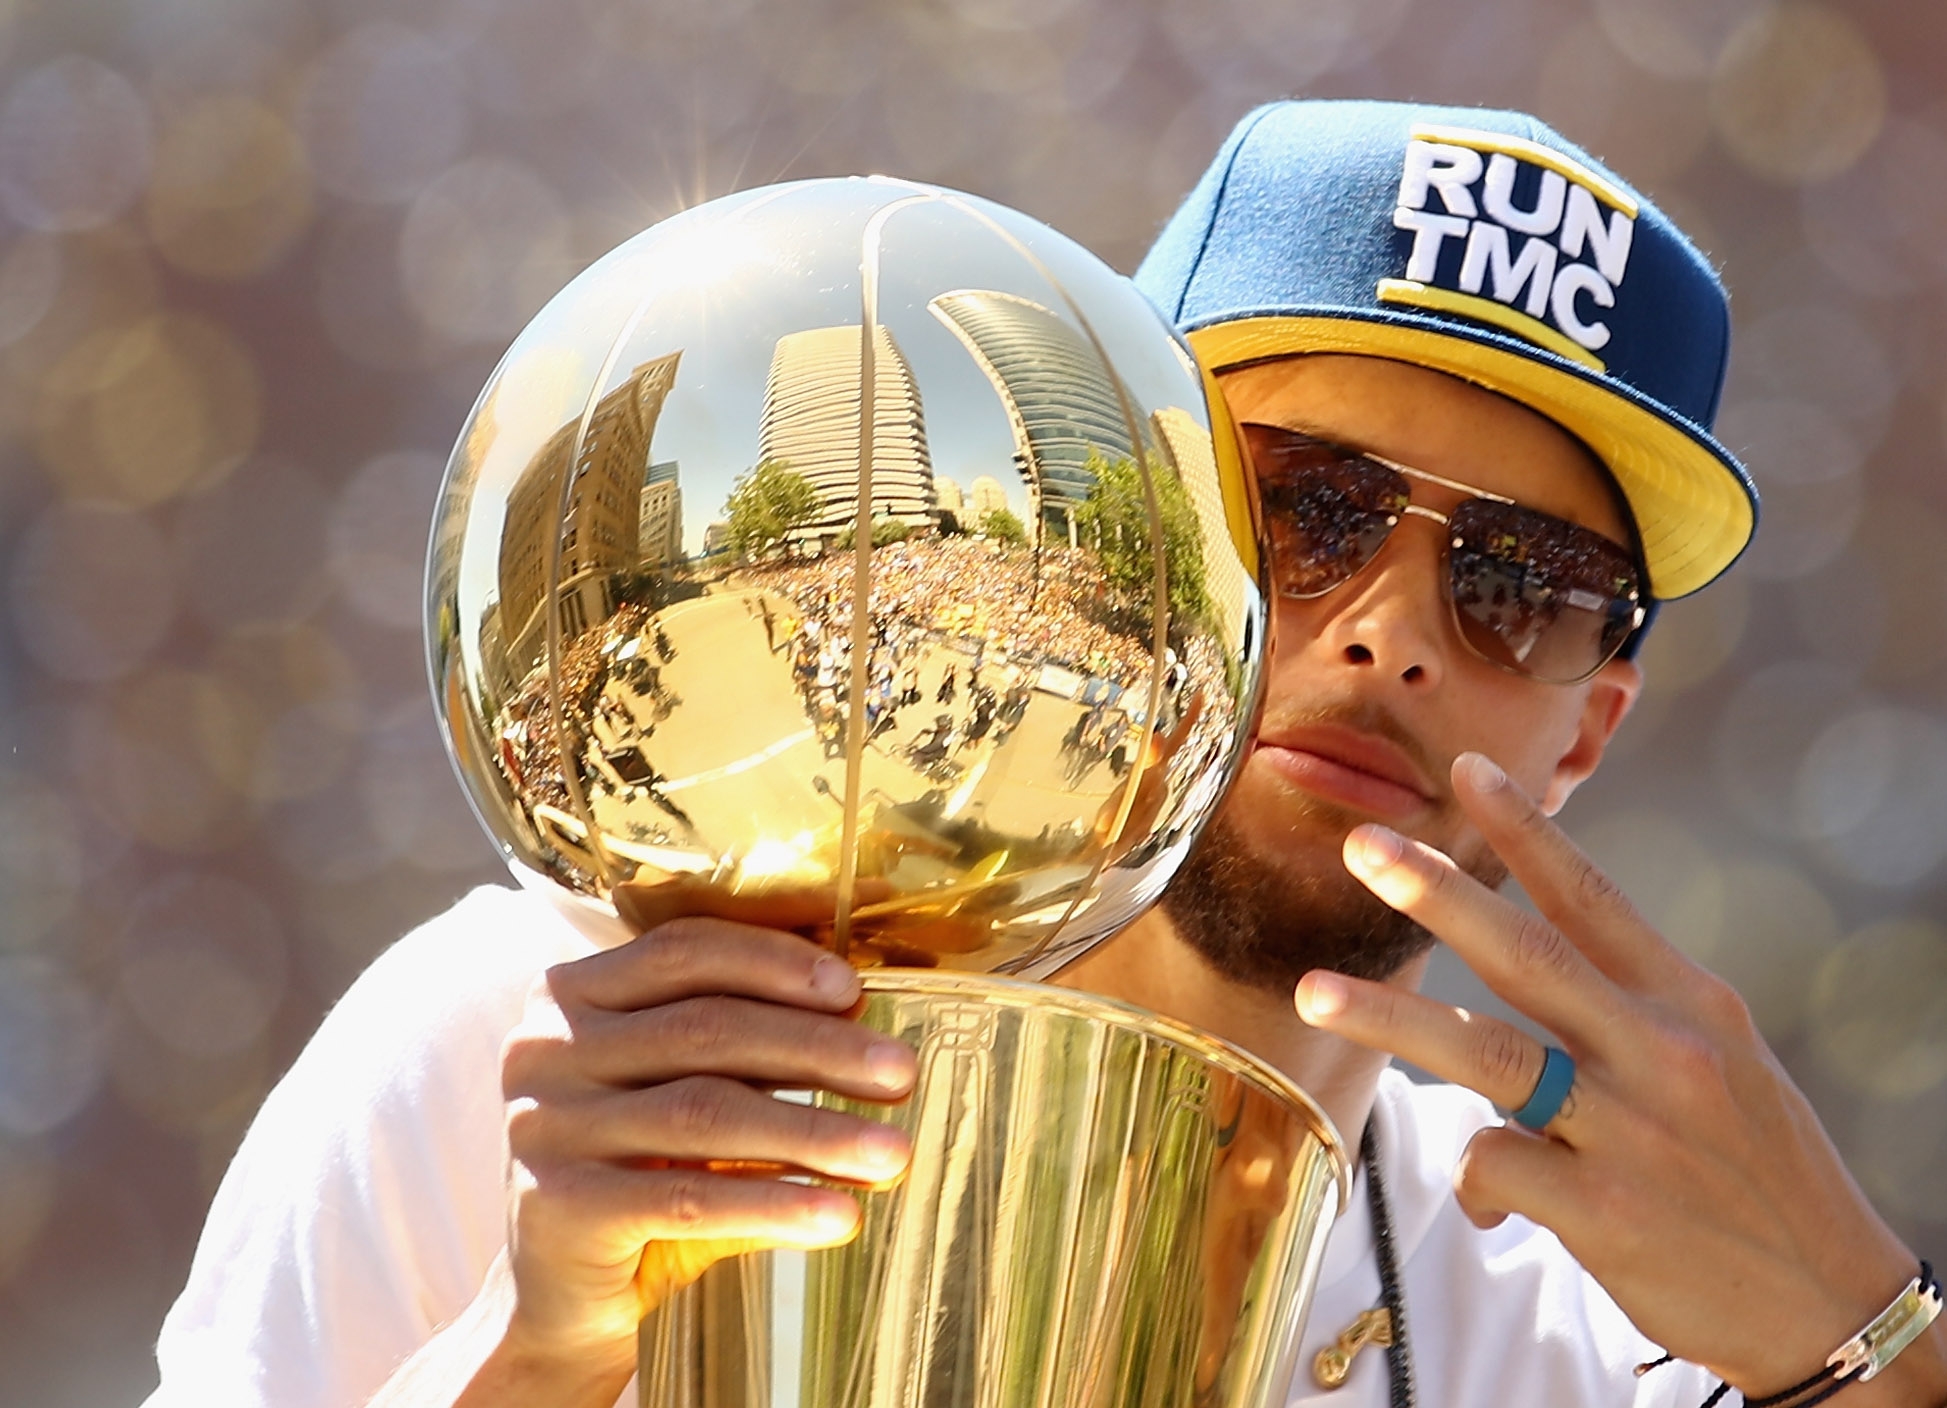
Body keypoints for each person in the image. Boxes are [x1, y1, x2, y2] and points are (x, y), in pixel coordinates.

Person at [142, 101, 1945, 1408]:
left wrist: (1870, 1344)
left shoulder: (1565, 1341)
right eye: (1305, 505)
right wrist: (530, 1363)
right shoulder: (539, 1048)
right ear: (1109, 526)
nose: (1392, 629)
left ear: (1589, 731)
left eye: (1526, 586)